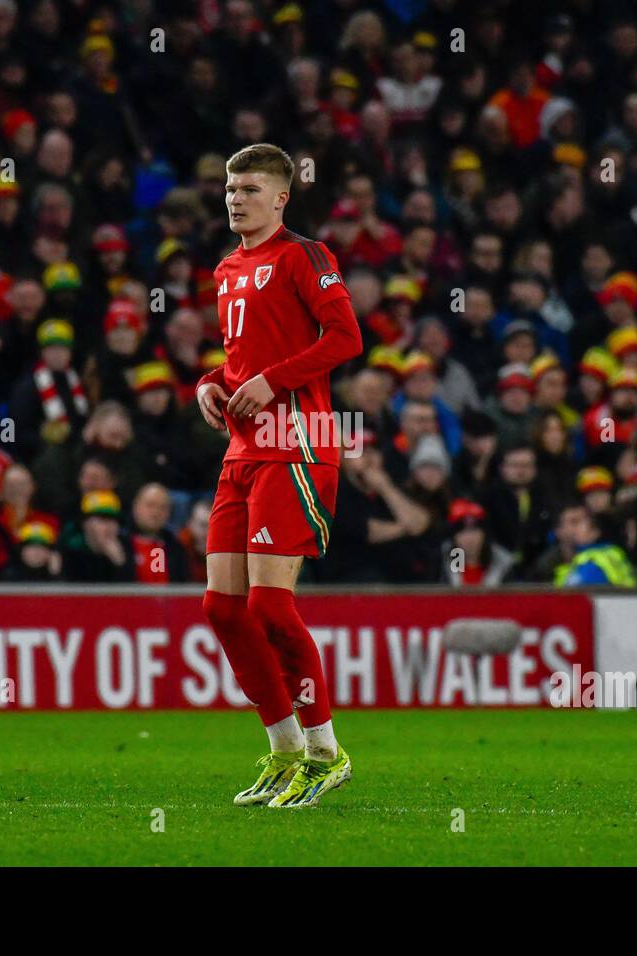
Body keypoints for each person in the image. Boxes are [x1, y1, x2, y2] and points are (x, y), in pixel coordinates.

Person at [193, 143, 362, 808]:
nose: (237, 199)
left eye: (251, 189)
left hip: (299, 445)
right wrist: (212, 384)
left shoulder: (304, 255)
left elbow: (345, 338)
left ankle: (326, 751)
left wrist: (271, 382)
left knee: (268, 605)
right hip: (242, 452)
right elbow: (243, 359)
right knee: (222, 608)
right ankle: (285, 749)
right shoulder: (228, 267)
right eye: (232, 189)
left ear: (282, 197)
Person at [551, 502, 637, 586]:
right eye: (575, 522)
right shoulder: (556, 564)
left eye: (587, 519)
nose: (585, 525)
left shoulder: (594, 561)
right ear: (558, 531)